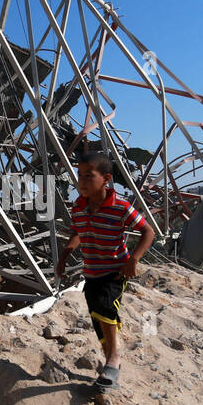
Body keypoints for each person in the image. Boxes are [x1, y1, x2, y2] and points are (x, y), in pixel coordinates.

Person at [55, 152, 155, 390]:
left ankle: (113, 360)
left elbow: (148, 232)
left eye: (89, 176)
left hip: (115, 271)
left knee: (104, 308)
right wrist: (65, 255)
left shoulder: (120, 207)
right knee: (99, 318)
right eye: (79, 175)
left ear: (106, 179)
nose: (81, 181)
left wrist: (133, 260)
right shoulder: (78, 207)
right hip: (91, 272)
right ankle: (111, 364)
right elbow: (77, 232)